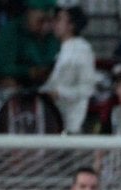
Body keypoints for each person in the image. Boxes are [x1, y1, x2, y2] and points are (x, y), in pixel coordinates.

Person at [39, 5, 97, 134]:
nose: (55, 24)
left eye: (59, 20)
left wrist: (59, 93)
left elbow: (87, 88)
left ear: (71, 25)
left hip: (72, 121)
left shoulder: (82, 49)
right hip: (56, 117)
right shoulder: (64, 49)